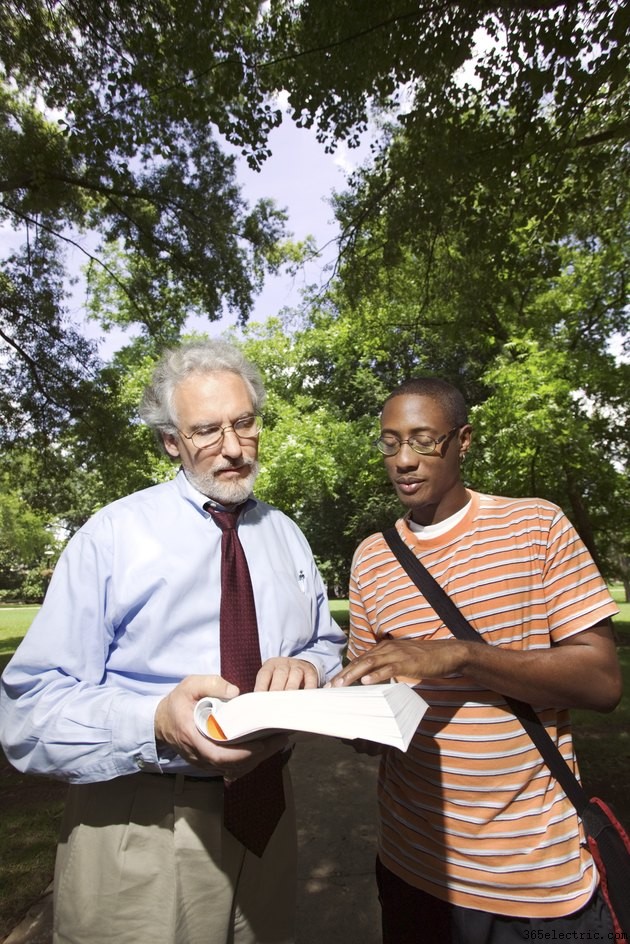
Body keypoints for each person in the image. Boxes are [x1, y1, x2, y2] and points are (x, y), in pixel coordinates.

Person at [0, 339, 346, 944]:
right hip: (145, 828)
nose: (234, 447)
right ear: (170, 441)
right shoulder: (112, 536)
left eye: (244, 422)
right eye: (207, 430)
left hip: (271, 820)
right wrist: (155, 720)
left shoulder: (287, 535)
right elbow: (27, 714)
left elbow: (325, 640)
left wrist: (308, 666)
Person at [332, 377, 622, 943]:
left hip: (532, 882)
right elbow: (372, 709)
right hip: (410, 866)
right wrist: (348, 719)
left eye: (424, 440)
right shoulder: (371, 558)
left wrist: (460, 655)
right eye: (390, 443)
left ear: (463, 441)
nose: (405, 460)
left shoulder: (536, 527)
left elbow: (602, 680)